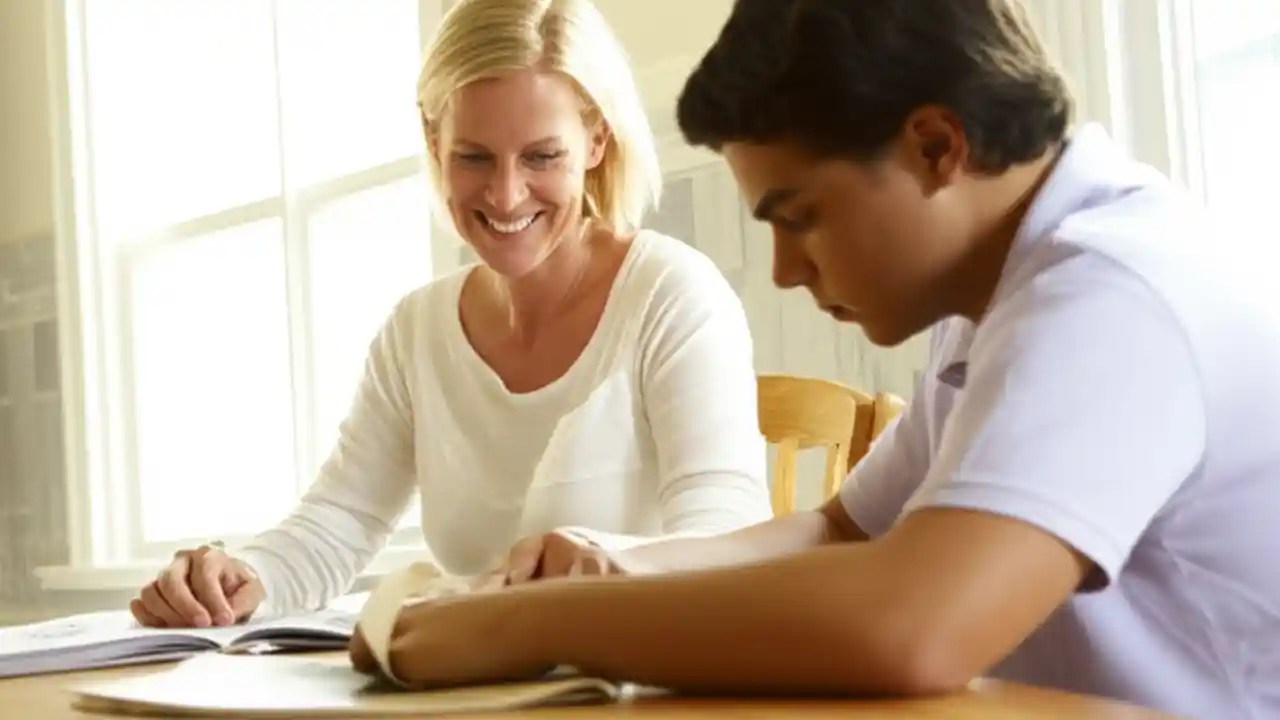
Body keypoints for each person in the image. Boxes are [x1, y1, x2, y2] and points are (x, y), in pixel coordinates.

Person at [346, 0, 1280, 717]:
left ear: (934, 146)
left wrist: (526, 626)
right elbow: (839, 530)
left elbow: (912, 628)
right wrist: (619, 565)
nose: (787, 270)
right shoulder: (999, 298)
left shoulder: (1112, 292)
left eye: (799, 218)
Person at [128, 0, 771, 630]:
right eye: (474, 156)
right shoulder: (417, 330)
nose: (506, 193)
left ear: (597, 138)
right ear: (434, 144)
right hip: (480, 686)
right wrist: (240, 576)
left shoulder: (671, 294)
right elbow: (339, 522)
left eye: (542, 156)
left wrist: (609, 571)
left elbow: (727, 529)